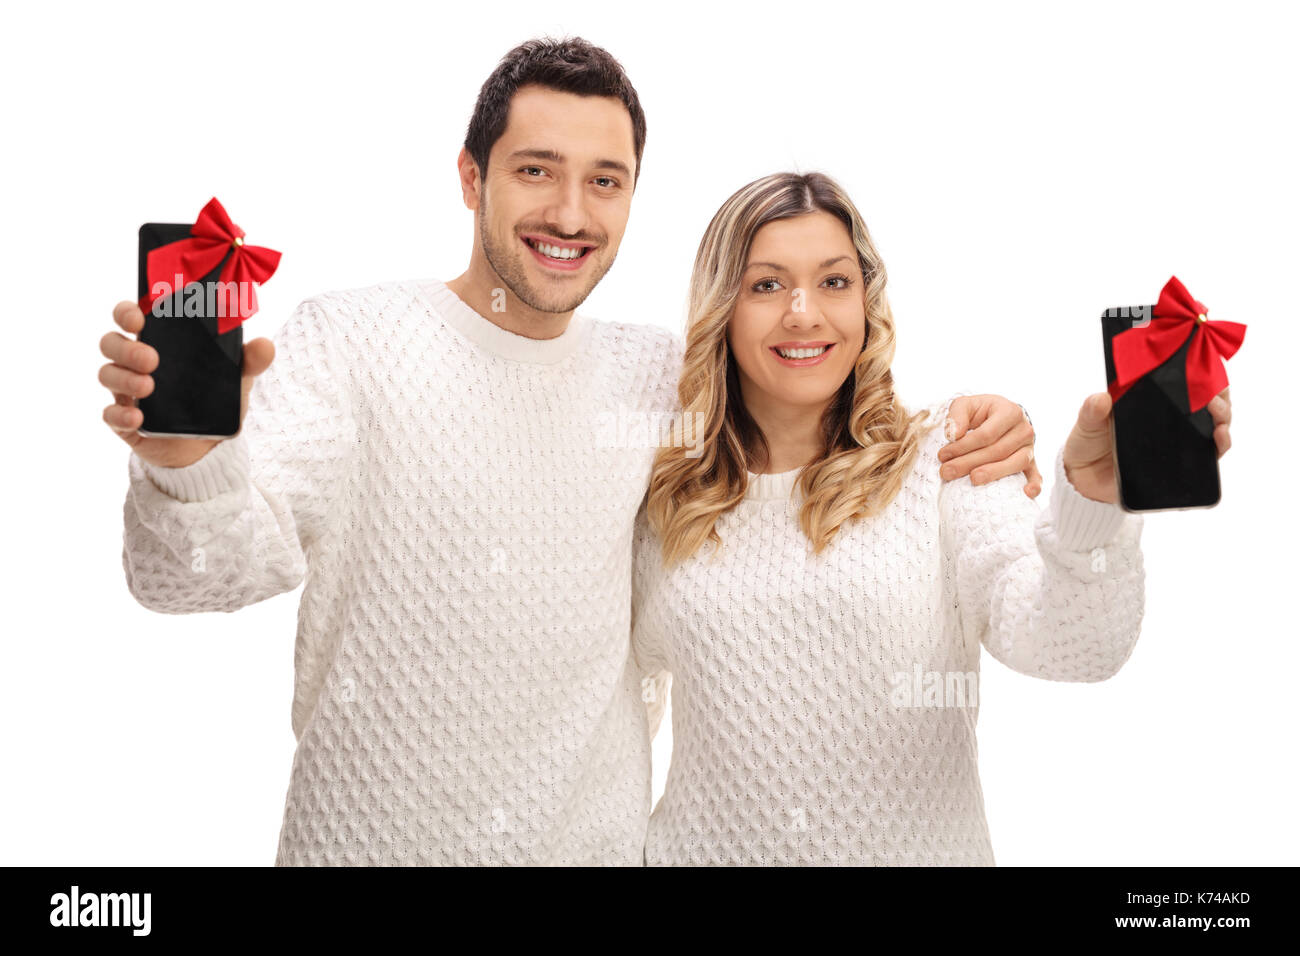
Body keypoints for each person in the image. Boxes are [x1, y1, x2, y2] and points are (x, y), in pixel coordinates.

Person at [99, 38, 1040, 866]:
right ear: (472, 178)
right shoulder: (351, 341)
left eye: (605, 179)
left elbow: (800, 381)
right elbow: (196, 579)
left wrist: (970, 423)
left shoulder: (654, 379)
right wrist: (190, 459)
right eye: (536, 170)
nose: (571, 214)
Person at [631, 171, 1234, 865]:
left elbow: (1073, 646)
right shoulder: (665, 498)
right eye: (767, 284)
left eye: (834, 282)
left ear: (867, 301)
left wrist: (1091, 503)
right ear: (721, 307)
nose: (804, 313)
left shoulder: (944, 457)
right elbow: (614, 720)